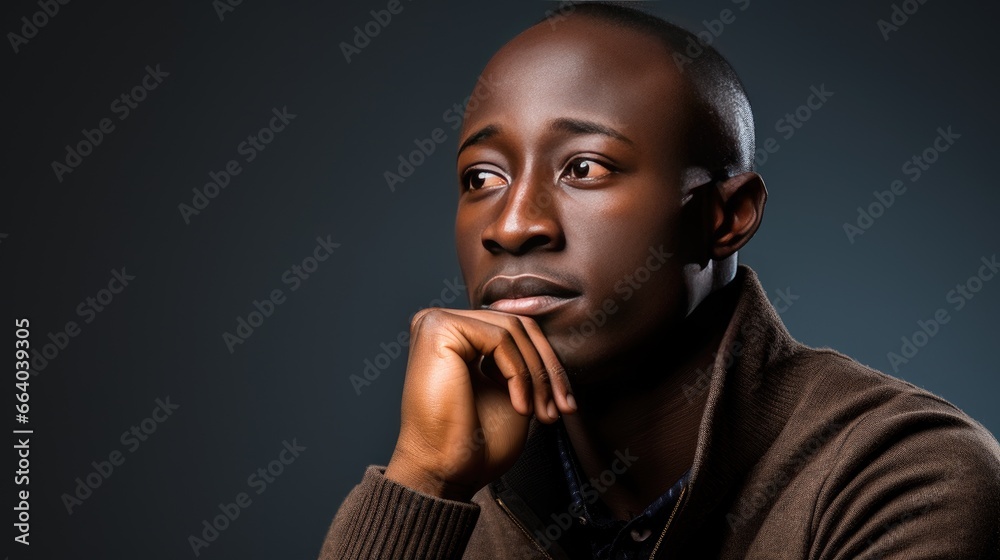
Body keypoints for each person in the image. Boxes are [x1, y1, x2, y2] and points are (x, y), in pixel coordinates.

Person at [318, 3, 1000, 559]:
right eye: (482, 178)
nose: (513, 224)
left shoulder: (903, 476)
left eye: (584, 168)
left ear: (724, 217)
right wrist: (425, 482)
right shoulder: (463, 500)